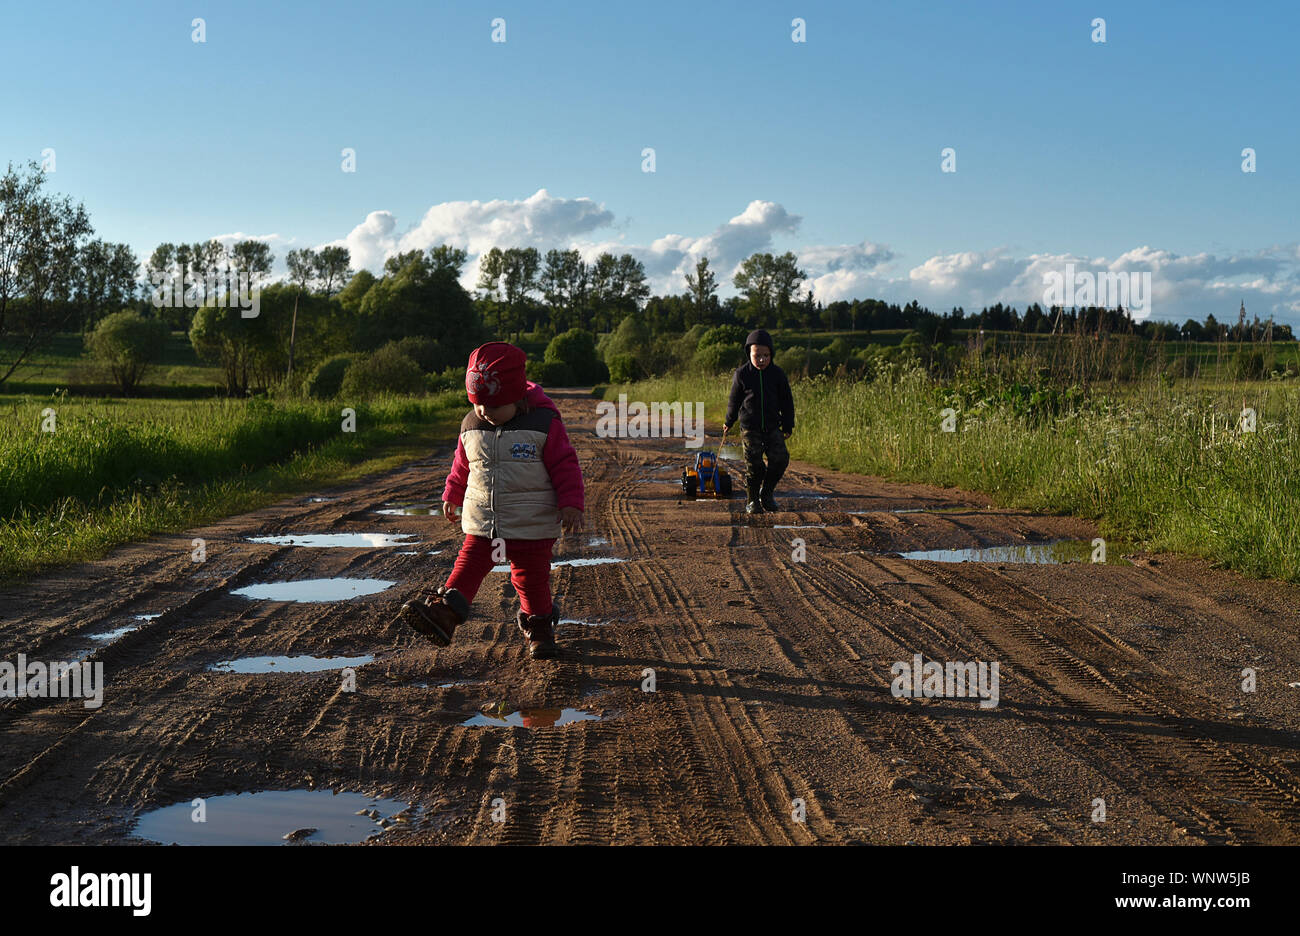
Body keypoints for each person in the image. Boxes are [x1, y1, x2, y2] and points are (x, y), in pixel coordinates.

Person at [393, 342, 585, 659]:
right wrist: (452, 495)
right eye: (478, 404)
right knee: (468, 566)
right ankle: (445, 614)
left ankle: (539, 628)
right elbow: (461, 466)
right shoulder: (472, 425)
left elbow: (565, 464)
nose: (484, 412)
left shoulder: (542, 423)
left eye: (493, 407)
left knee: (531, 579)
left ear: (517, 396)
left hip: (531, 526)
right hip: (485, 523)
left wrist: (571, 503)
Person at [722, 329, 794, 514]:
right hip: (750, 428)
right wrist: (729, 421)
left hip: (772, 426)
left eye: (766, 355)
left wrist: (788, 424)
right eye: (757, 355)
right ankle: (752, 499)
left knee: (780, 459)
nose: (761, 359)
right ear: (749, 354)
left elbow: (787, 401)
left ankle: (767, 494)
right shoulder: (742, 374)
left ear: (771, 354)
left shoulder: (777, 374)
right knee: (755, 465)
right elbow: (734, 401)